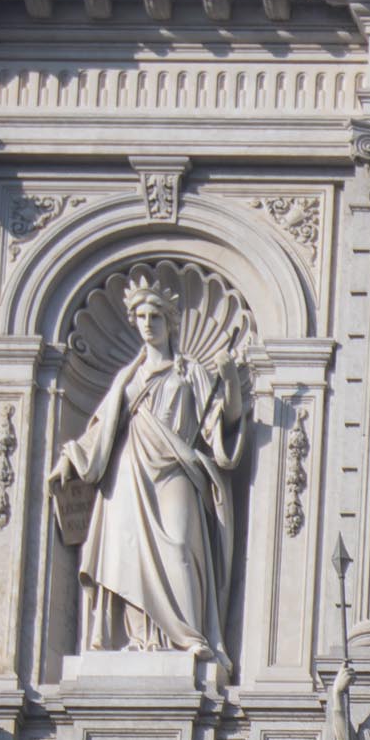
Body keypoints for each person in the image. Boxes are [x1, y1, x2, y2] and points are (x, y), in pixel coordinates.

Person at [48, 271, 246, 654]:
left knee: (180, 548)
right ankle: (139, 641)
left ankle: (188, 637)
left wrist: (231, 382)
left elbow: (222, 424)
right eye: (141, 317)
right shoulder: (128, 378)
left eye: (155, 316)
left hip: (176, 470)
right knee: (128, 555)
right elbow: (102, 428)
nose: (147, 323)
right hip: (128, 471)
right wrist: (69, 459)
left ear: (170, 322)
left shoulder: (190, 372)